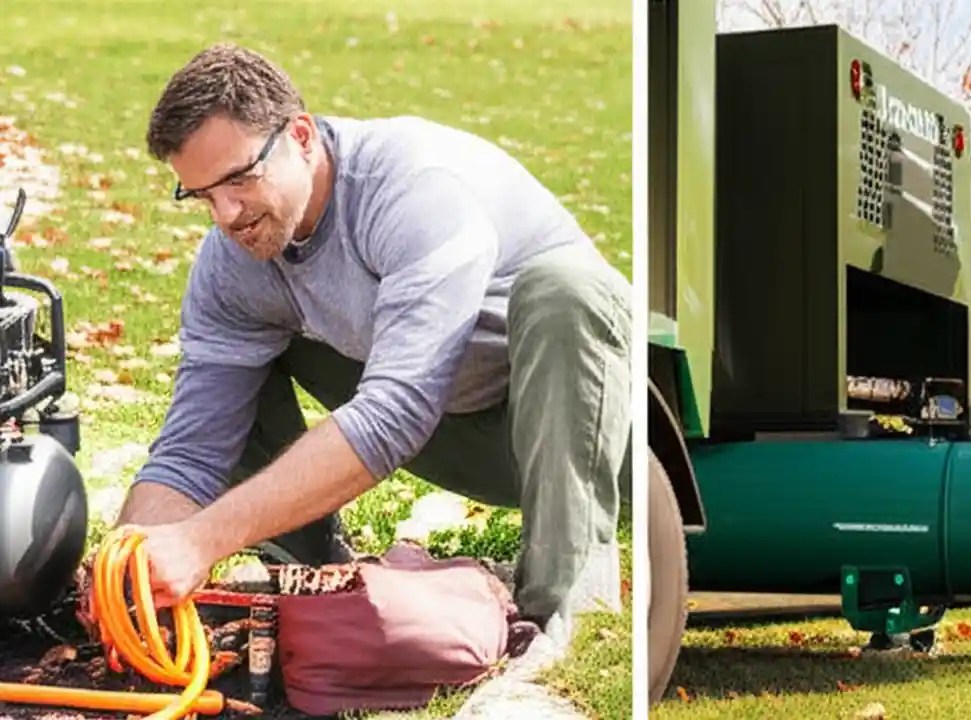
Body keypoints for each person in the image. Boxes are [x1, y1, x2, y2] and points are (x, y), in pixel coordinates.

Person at [81, 42, 632, 651]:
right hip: (450, 429)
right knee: (241, 360)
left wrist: (202, 538)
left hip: (585, 439)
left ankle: (565, 608)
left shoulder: (413, 185)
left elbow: (396, 413)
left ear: (301, 135)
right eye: (203, 195)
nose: (227, 214)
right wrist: (125, 566)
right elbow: (192, 448)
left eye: (239, 179)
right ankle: (305, 576)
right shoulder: (236, 257)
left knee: (567, 291)